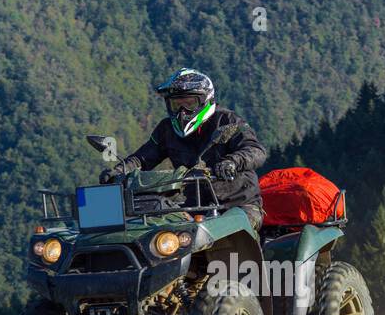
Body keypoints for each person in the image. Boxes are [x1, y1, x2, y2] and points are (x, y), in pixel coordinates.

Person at [101, 68, 268, 229]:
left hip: (239, 205)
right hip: (193, 208)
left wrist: (233, 162)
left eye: (189, 103)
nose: (182, 111)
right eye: (176, 104)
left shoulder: (228, 121)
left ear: (205, 100)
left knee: (228, 233)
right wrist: (119, 171)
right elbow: (142, 158)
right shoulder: (166, 130)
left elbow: (256, 150)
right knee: (156, 235)